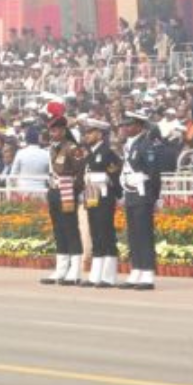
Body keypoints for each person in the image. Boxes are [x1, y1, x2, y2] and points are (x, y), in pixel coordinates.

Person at [118, 111, 162, 291]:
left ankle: (147, 273)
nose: (125, 128)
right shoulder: (130, 145)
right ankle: (136, 269)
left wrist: (154, 197)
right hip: (132, 194)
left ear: (139, 126)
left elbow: (153, 174)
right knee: (134, 235)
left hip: (143, 195)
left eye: (129, 125)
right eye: (124, 125)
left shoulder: (146, 144)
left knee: (144, 235)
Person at [40, 114, 85, 286]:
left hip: (67, 192)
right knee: (58, 230)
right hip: (54, 191)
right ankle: (61, 269)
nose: (53, 133)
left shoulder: (72, 148)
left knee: (70, 229)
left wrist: (73, 190)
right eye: (52, 130)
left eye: (57, 130)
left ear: (64, 131)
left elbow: (80, 173)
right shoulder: (53, 148)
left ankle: (75, 270)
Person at [78, 118, 122, 288]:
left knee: (105, 232)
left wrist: (109, 183)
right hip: (91, 193)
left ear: (99, 134)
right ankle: (95, 274)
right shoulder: (90, 153)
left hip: (104, 195)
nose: (86, 135)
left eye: (90, 132)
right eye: (86, 132)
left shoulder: (107, 153)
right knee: (95, 232)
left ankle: (109, 275)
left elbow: (115, 174)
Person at [10, 125, 51, 194]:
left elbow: (13, 174)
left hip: (22, 190)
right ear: (39, 139)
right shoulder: (46, 154)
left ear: (26, 139)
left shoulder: (20, 153)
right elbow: (50, 174)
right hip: (41, 190)